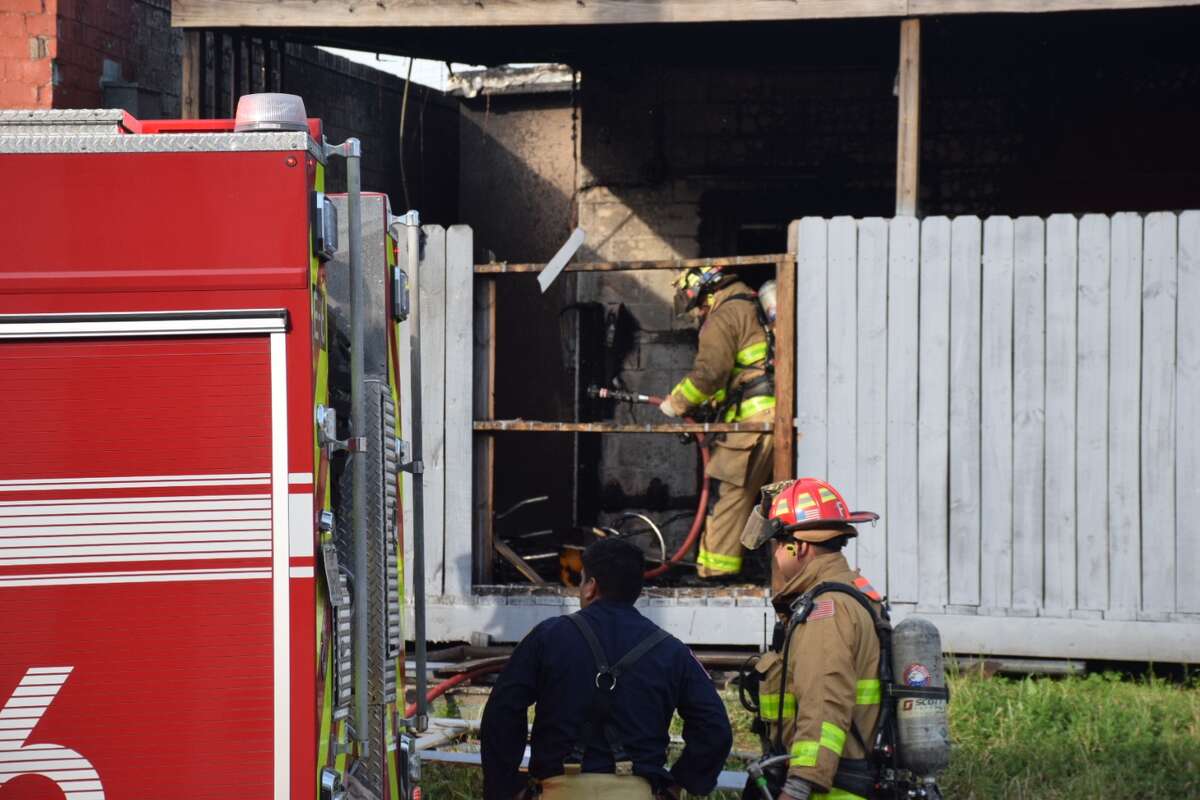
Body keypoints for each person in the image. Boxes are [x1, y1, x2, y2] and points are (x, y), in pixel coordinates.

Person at [480, 537, 733, 799]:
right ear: (636, 590)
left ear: (590, 587)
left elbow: (502, 711)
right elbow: (715, 729)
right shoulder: (672, 651)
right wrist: (677, 784)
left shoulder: (547, 637)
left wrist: (505, 788)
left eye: (581, 580)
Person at [738, 478, 884, 800]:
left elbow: (823, 704)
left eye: (778, 544)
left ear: (799, 547)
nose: (776, 555)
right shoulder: (854, 593)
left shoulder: (825, 612)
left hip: (828, 792)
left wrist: (797, 788)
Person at [660, 265, 775, 581]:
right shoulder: (750, 306)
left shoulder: (724, 315)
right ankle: (757, 569)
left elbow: (709, 374)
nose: (698, 313)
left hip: (754, 424)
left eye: (697, 305)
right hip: (772, 419)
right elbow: (738, 373)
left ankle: (715, 577)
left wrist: (676, 403)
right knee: (765, 501)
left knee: (725, 495)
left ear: (708, 292)